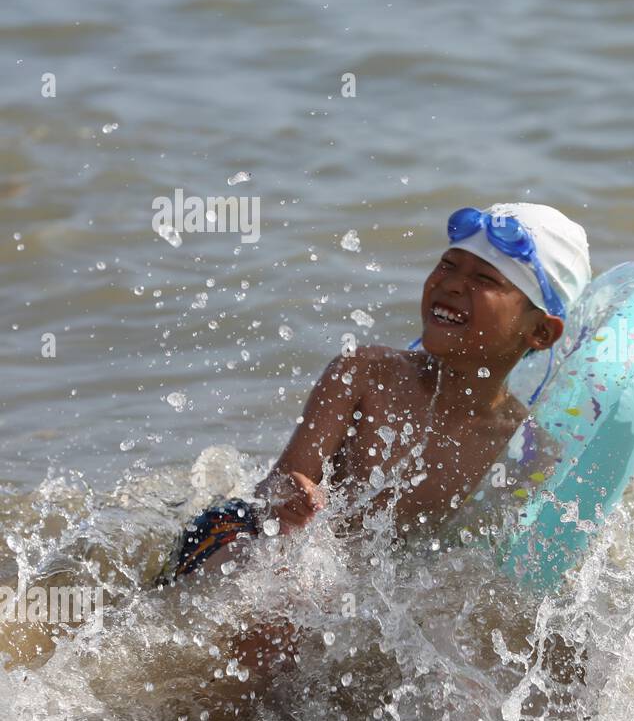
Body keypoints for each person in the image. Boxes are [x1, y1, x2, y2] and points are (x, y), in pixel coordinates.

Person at [163, 203, 591, 582]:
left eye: (483, 277)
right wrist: (290, 495)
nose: (453, 284)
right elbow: (276, 486)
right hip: (238, 537)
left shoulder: (525, 452)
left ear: (539, 331)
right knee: (281, 588)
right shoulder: (366, 375)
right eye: (447, 265)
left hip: (360, 590)